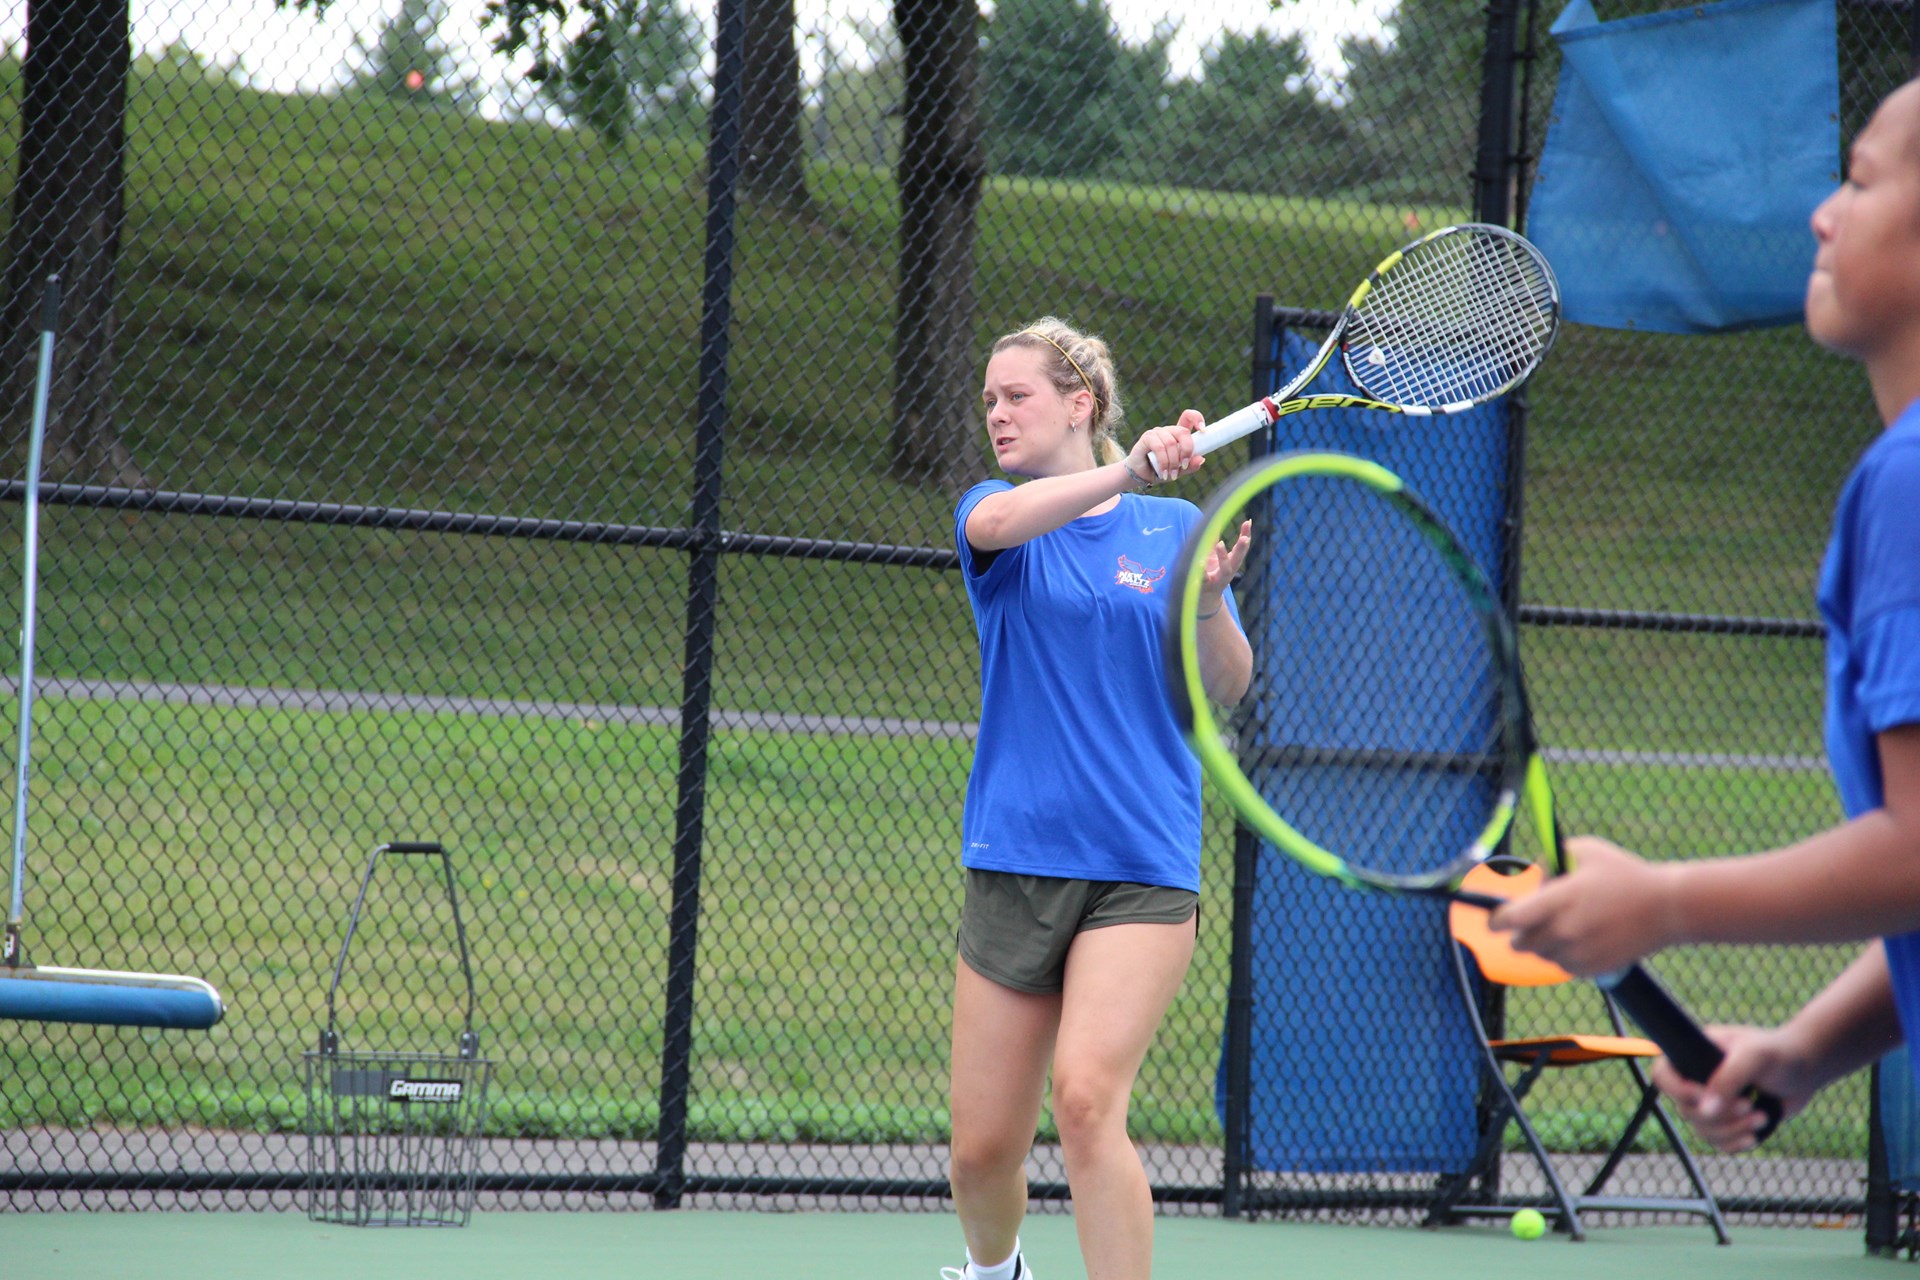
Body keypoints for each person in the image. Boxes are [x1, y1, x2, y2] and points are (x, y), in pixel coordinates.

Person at [1492, 77, 1920, 1153]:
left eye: (1862, 180)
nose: (1824, 211)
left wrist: (1666, 900)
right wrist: (1812, 1044)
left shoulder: (1909, 481)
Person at [943, 317, 1253, 1280]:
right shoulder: (994, 515)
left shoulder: (1172, 530)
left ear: (1081, 404)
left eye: (1017, 395)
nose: (996, 412)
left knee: (1085, 1100)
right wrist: (1129, 471)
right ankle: (997, 1273)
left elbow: (1228, 684)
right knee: (981, 1151)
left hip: (1140, 868)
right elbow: (995, 526)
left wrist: (1204, 599)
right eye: (989, 399)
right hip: (1017, 859)